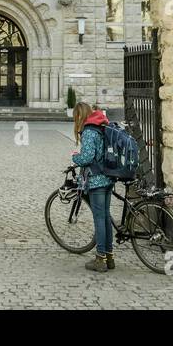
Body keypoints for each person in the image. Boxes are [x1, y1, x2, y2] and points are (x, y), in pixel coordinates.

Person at [71, 102, 116, 272]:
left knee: (99, 218)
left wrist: (75, 157)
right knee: (105, 217)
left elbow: (87, 157)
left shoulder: (89, 131)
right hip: (108, 177)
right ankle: (109, 257)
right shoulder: (101, 126)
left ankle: (100, 259)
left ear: (80, 115)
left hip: (97, 181)